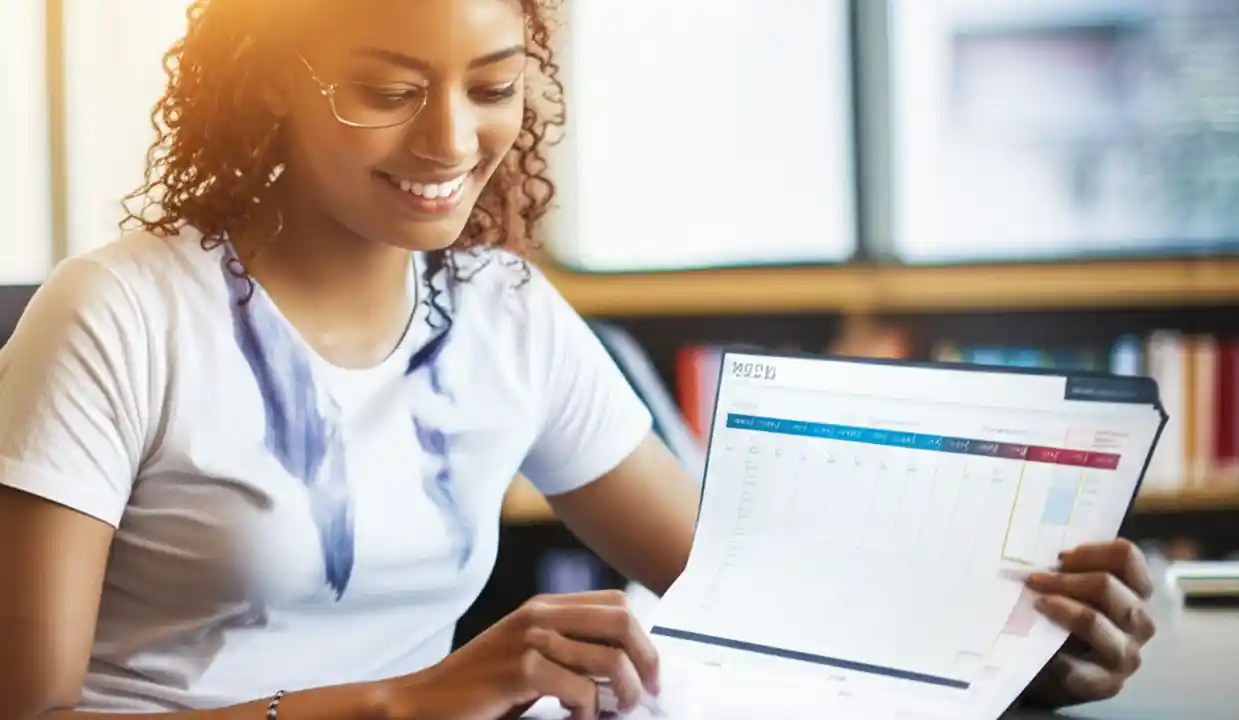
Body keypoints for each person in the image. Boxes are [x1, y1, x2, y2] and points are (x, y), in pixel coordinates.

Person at [0, 1, 1157, 718]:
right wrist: (410, 702)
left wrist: (1014, 657)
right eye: (385, 92)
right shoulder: (118, 313)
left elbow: (753, 595)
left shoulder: (504, 313)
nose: (452, 141)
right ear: (264, 82)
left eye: (492, 86)